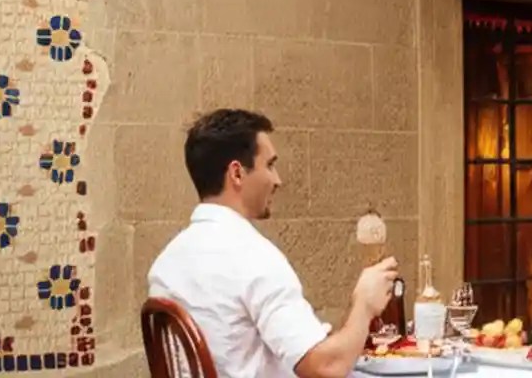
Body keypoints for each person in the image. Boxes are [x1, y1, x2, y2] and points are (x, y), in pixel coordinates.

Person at [148, 109, 399, 378]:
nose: (277, 180)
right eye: (269, 165)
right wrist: (364, 305)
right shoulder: (252, 257)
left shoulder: (164, 265)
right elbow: (325, 368)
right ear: (236, 173)